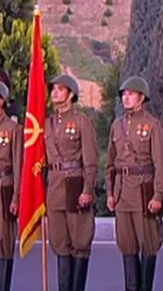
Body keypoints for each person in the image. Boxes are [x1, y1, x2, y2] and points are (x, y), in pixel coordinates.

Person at [105, 76, 163, 291]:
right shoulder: (117, 126)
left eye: (130, 94)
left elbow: (161, 164)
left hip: (143, 192)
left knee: (148, 245)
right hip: (123, 193)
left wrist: (158, 195)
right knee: (127, 246)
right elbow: (110, 164)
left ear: (142, 97)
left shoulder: (152, 126)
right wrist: (110, 194)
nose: (126, 97)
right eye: (123, 94)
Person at [45, 74, 98, 291]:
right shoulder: (47, 124)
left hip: (75, 185)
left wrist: (87, 189)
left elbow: (91, 160)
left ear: (71, 94)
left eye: (60, 89)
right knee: (60, 245)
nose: (55, 92)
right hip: (54, 187)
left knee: (80, 243)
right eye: (53, 89)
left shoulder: (82, 122)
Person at [0, 82, 21, 291]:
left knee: (4, 243)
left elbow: (17, 164)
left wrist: (16, 196)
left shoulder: (12, 129)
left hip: (4, 188)